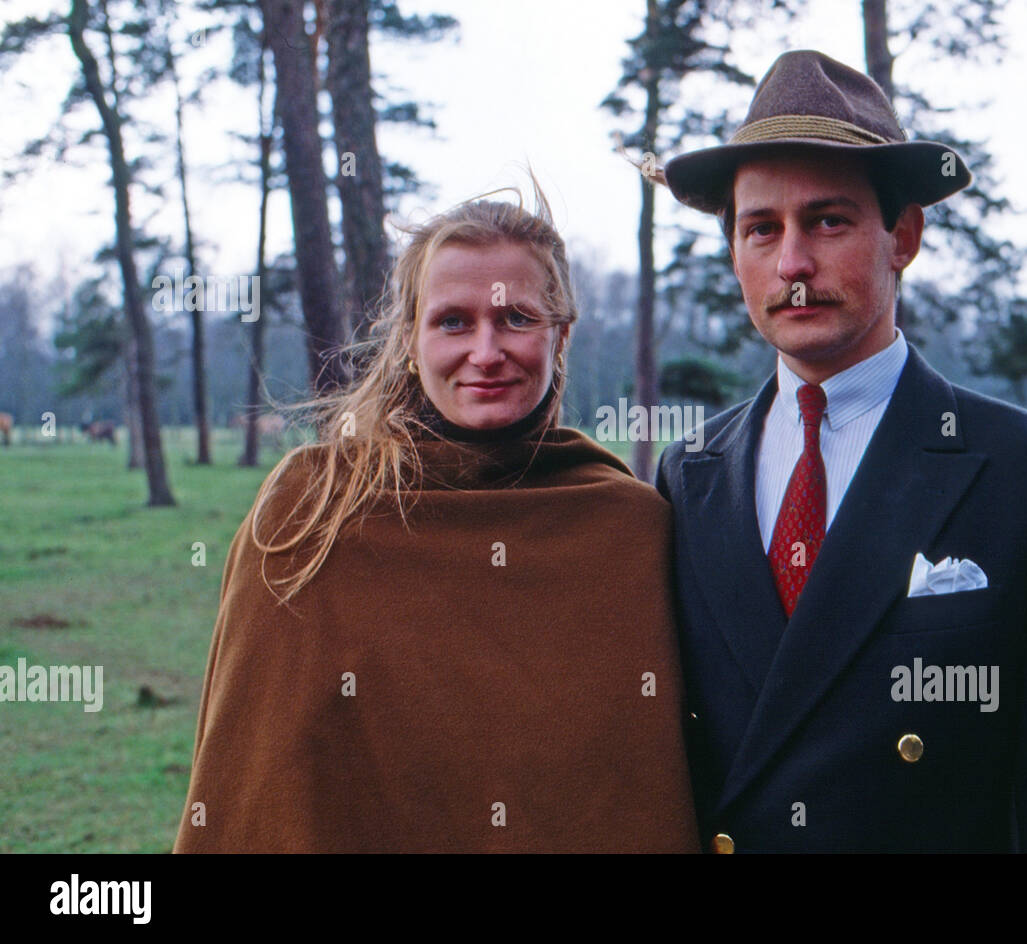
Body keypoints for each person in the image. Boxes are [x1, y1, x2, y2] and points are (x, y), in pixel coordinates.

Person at [656, 50, 1027, 853]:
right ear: (735, 255)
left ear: (905, 236)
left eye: (828, 220)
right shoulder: (686, 475)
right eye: (762, 229)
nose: (792, 263)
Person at [174, 185, 699, 853]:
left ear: (561, 333)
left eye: (516, 320)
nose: (485, 351)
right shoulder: (311, 512)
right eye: (453, 321)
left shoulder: (629, 530)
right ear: (411, 337)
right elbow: (259, 785)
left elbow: (641, 793)